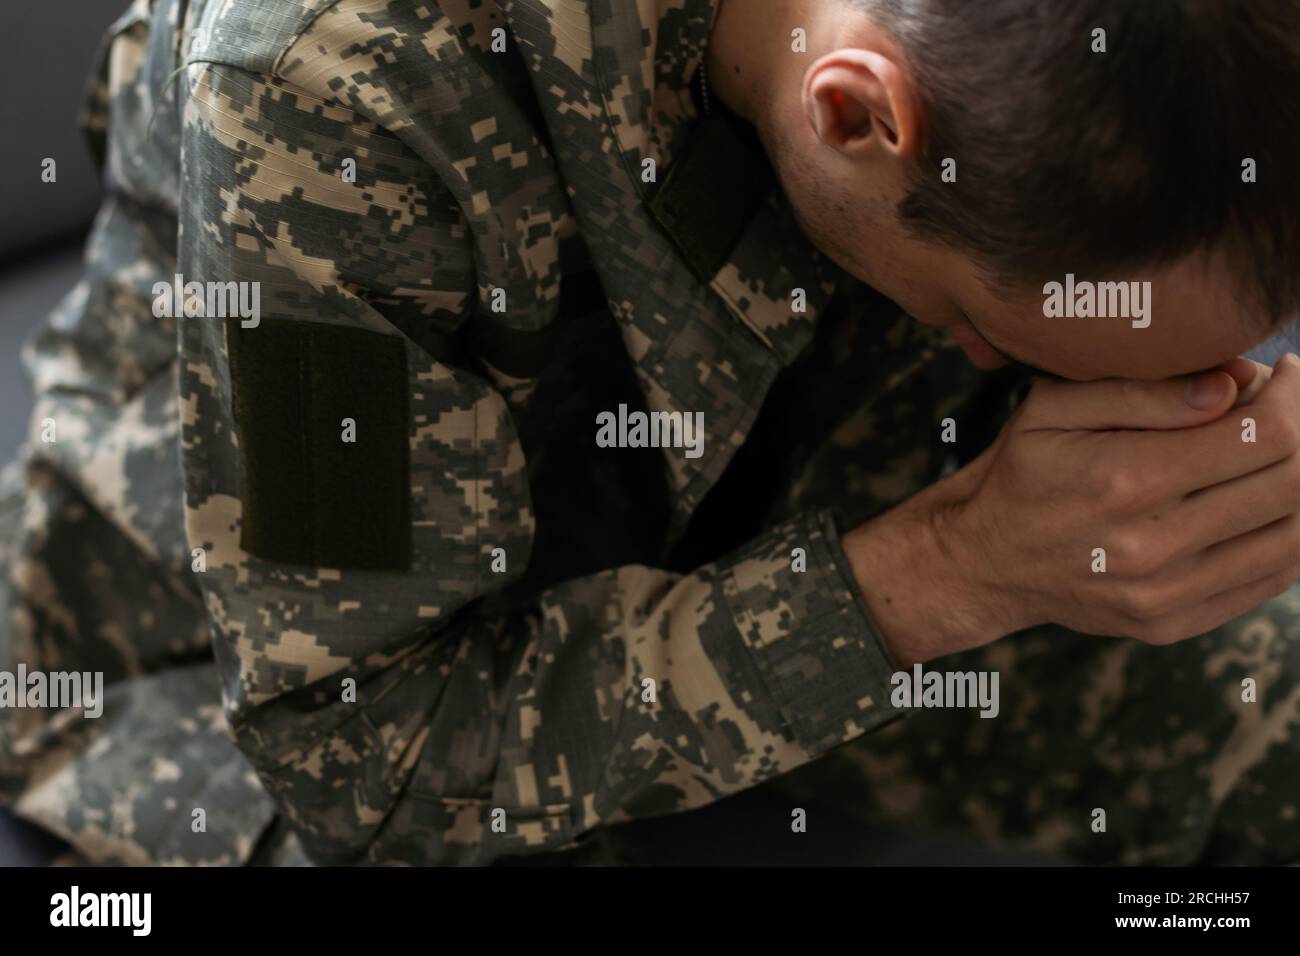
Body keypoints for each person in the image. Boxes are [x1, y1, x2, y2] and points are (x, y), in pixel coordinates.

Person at [1, 0, 1298, 866]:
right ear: (854, 116)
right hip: (281, 692)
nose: (1001, 366)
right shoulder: (332, 83)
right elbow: (368, 761)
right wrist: (958, 569)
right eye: (991, 331)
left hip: (820, 508)